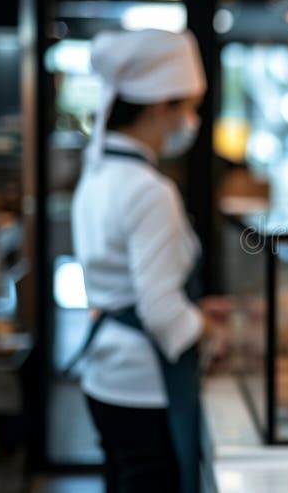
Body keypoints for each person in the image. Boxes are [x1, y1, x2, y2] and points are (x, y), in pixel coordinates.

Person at [68, 29, 217, 493]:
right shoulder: (150, 190)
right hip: (143, 384)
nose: (191, 120)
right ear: (159, 107)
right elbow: (159, 311)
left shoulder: (98, 174)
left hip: (105, 376)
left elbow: (127, 289)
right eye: (188, 106)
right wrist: (216, 331)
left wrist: (198, 313)